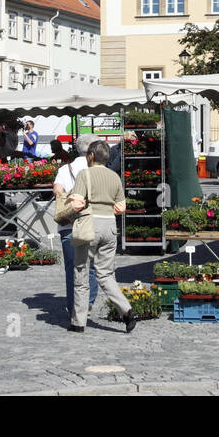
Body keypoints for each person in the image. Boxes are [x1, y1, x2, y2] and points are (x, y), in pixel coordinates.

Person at [66, 141, 137, 333]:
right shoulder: (114, 177)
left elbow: (77, 204)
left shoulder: (84, 174)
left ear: (90, 156)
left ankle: (78, 322)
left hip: (90, 225)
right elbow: (121, 207)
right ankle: (127, 310)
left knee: (81, 272)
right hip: (110, 227)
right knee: (105, 274)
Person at [52, 140, 97, 321]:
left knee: (72, 267)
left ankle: (73, 306)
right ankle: (88, 302)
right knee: (91, 266)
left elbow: (57, 191)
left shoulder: (65, 169)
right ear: (93, 151)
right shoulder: (96, 170)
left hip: (68, 224)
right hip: (89, 223)